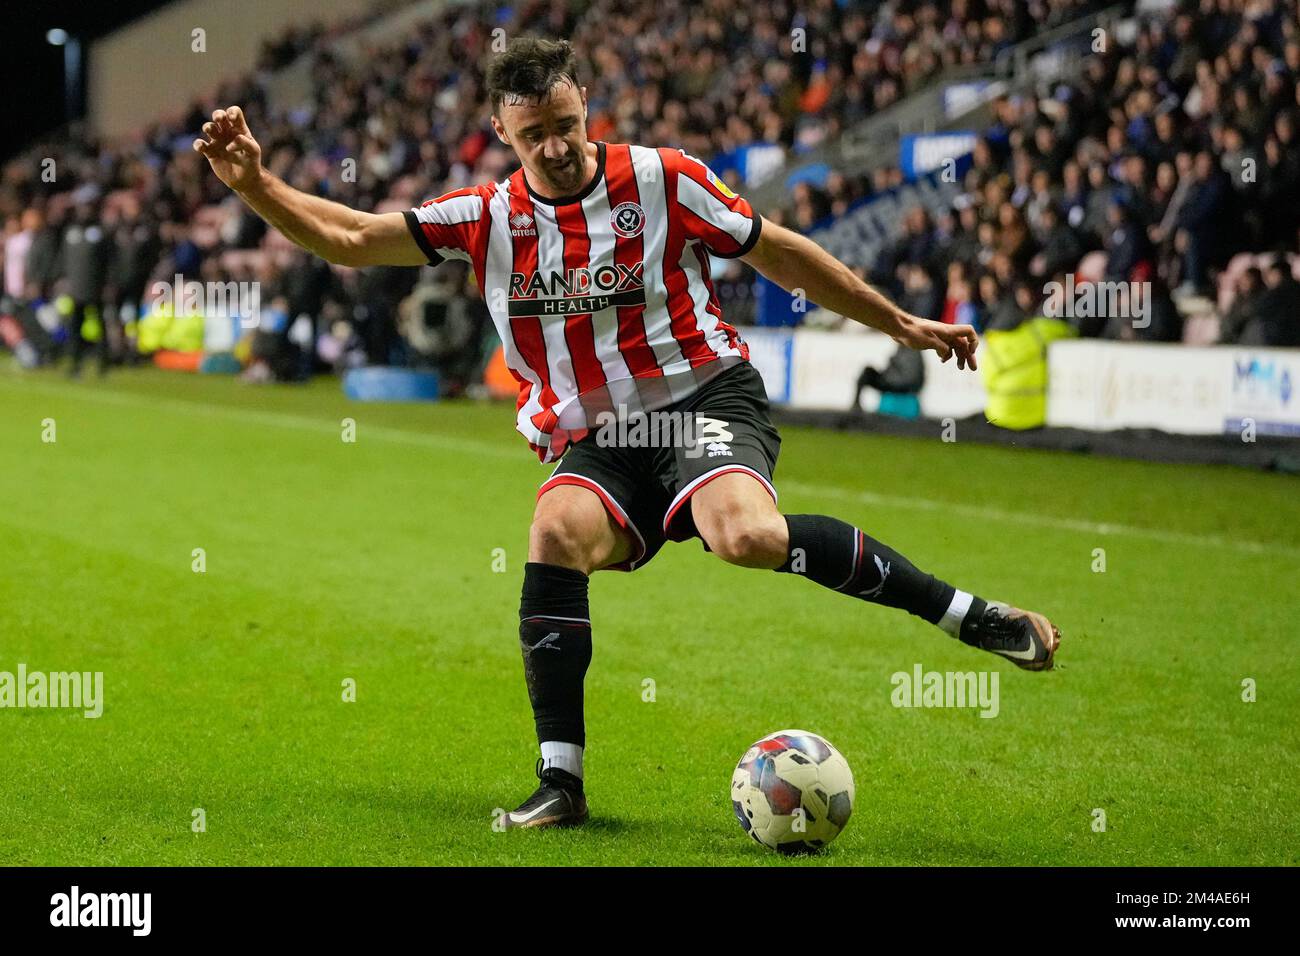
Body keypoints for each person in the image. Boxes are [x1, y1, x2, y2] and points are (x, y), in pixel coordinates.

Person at [193, 37, 1061, 830]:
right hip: (602, 435)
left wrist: (899, 322)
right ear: (504, 131)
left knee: (748, 536)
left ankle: (968, 616)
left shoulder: (663, 180)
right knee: (554, 530)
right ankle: (560, 783)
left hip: (704, 398)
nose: (557, 147)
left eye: (567, 125)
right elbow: (351, 236)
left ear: (586, 108)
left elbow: (778, 251)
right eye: (535, 135)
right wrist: (255, 187)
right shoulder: (486, 218)